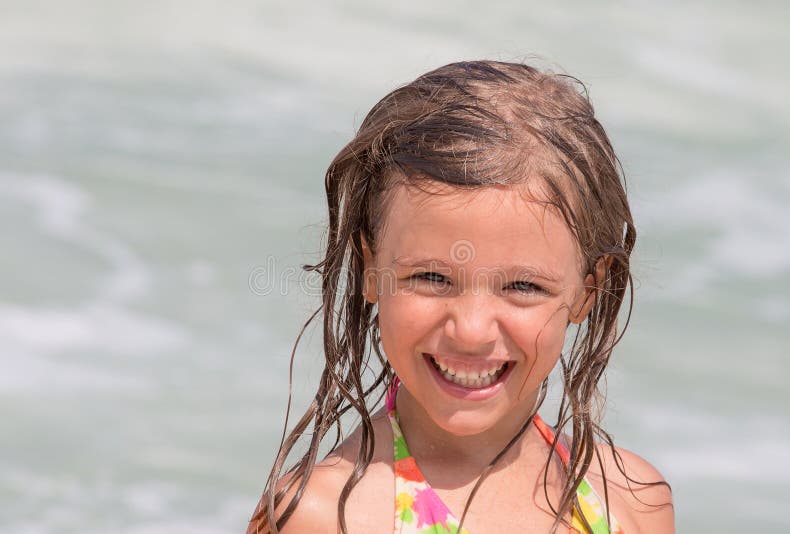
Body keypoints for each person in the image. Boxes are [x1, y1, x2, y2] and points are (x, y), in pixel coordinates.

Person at [248, 60, 674, 534]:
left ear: (588, 291)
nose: (470, 330)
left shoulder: (630, 499)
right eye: (431, 277)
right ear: (371, 269)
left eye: (523, 287)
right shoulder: (326, 517)